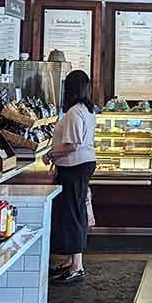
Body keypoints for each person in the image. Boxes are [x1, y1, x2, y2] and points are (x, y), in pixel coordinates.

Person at [49, 70, 96, 284]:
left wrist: (51, 154)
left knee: (73, 215)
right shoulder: (87, 110)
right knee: (76, 213)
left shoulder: (74, 113)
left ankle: (76, 266)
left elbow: (72, 145)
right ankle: (72, 262)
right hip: (82, 165)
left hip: (74, 166)